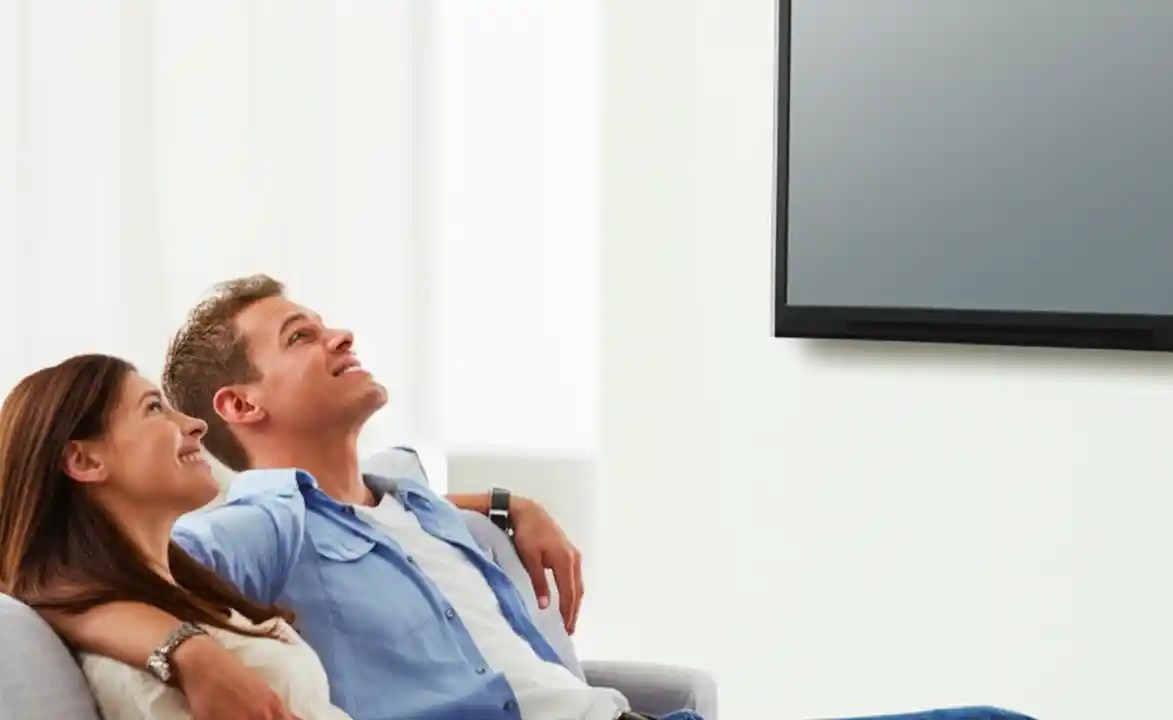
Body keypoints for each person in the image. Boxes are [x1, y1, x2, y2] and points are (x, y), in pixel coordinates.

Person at [38, 275, 701, 720]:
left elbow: (375, 507)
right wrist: (188, 652)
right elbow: (84, 582)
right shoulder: (264, 524)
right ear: (240, 404)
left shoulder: (410, 498)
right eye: (300, 337)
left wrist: (506, 505)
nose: (342, 337)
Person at [0, 354, 352, 719]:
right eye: (153, 408)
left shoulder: (181, 604)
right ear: (85, 461)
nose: (197, 424)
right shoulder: (138, 674)